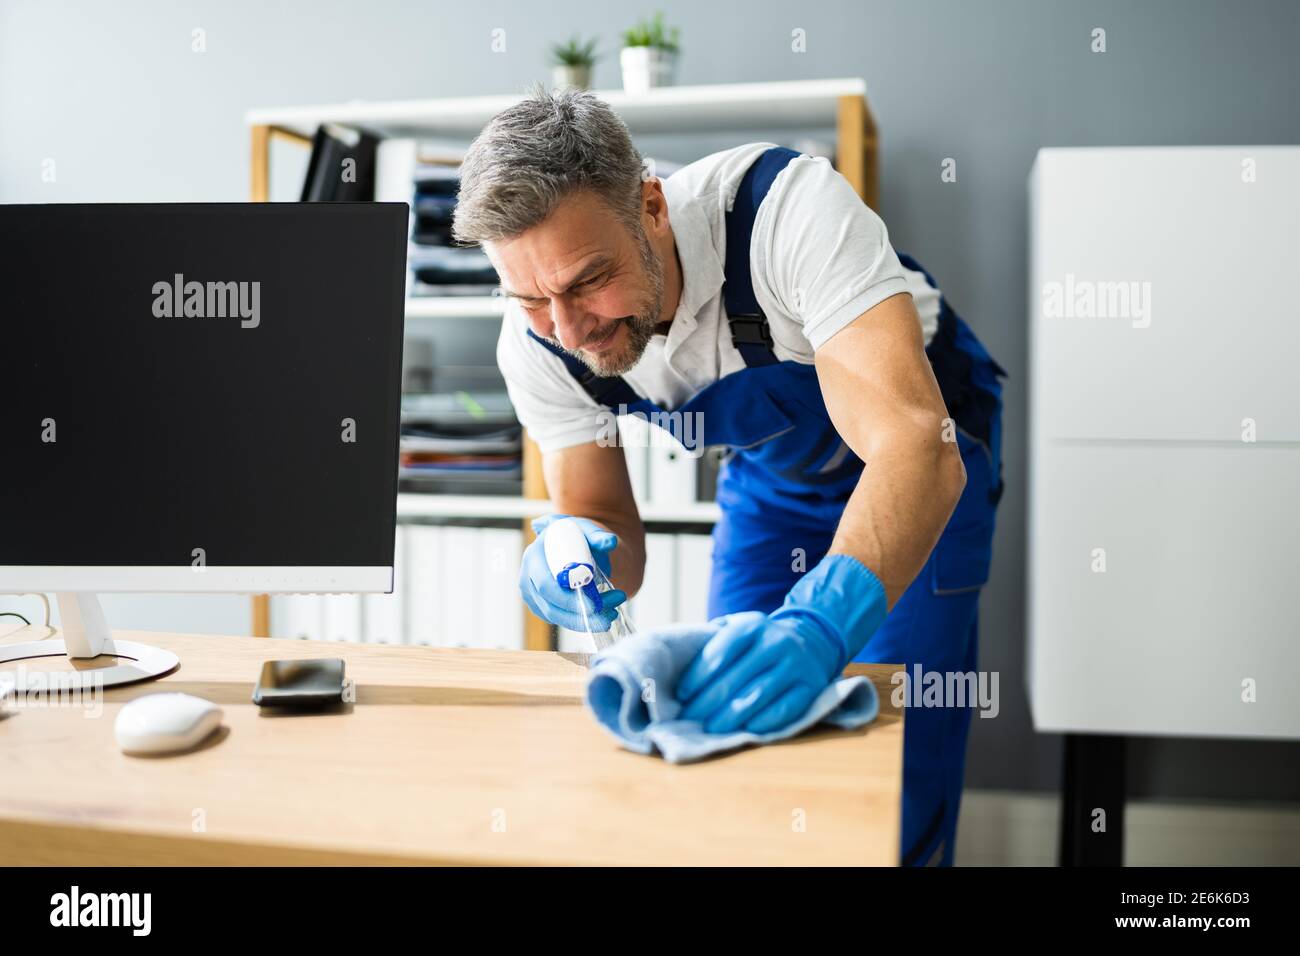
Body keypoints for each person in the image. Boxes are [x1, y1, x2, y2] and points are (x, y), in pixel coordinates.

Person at [452, 88, 1005, 866]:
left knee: (895, 768)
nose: (567, 327)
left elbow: (915, 444)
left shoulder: (784, 213)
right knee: (728, 723)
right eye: (533, 297)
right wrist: (581, 551)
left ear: (650, 206)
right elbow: (611, 532)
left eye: (586, 281)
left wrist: (821, 621)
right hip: (774, 483)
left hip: (927, 461)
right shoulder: (537, 343)